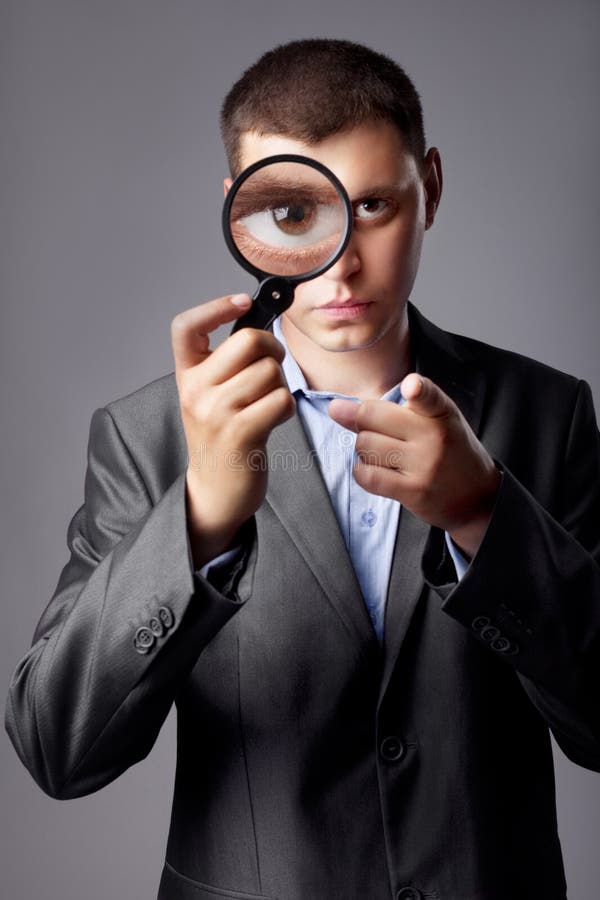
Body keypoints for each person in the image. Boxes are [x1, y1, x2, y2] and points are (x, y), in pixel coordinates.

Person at [5, 38, 600, 900]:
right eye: (294, 216)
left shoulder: (550, 416)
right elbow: (55, 751)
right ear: (240, 214)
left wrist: (483, 513)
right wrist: (199, 518)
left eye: (373, 205)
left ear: (429, 188)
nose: (341, 264)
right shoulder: (145, 437)